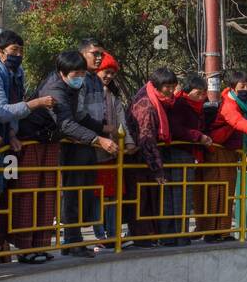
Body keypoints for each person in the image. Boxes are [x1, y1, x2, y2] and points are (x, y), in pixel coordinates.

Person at [0, 30, 57, 263]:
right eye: (13, 50)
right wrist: (35, 104)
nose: (18, 55)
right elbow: (3, 110)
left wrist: (13, 134)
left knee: (4, 192)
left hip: (4, 144)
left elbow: (10, 113)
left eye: (20, 50)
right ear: (0, 52)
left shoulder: (17, 73)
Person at [20, 49, 118, 258]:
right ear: (62, 73)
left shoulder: (73, 86)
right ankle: (29, 249)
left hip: (49, 142)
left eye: (83, 74)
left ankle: (54, 244)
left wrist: (101, 128)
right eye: (76, 75)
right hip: (32, 143)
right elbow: (66, 124)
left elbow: (77, 117)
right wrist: (97, 139)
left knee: (52, 197)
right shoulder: (55, 89)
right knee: (32, 197)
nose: (80, 79)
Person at [201, 70, 247, 241]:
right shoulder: (229, 104)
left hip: (231, 153)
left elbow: (243, 124)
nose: (246, 89)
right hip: (217, 152)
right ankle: (211, 232)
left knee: (228, 193)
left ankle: (223, 232)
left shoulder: (246, 104)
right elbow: (237, 122)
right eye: (242, 86)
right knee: (216, 192)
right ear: (233, 88)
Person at [76, 42, 128, 246]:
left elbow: (121, 120)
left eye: (112, 74)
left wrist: (127, 141)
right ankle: (99, 234)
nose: (108, 76)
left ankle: (113, 233)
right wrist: (101, 133)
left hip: (111, 151)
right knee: (97, 195)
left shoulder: (112, 96)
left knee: (113, 195)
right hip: (94, 148)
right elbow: (82, 116)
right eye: (105, 72)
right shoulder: (85, 85)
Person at [126, 67, 179, 245]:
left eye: (173, 86)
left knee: (150, 199)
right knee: (142, 199)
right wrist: (158, 170)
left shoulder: (154, 98)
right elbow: (146, 139)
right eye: (167, 87)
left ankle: (149, 236)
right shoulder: (147, 106)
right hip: (139, 161)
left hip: (145, 159)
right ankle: (142, 238)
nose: (171, 91)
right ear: (157, 86)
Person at [164, 73, 212, 246]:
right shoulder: (181, 104)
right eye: (198, 92)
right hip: (179, 152)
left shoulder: (195, 106)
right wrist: (198, 136)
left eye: (203, 93)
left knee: (182, 194)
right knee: (179, 194)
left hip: (188, 152)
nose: (202, 96)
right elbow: (176, 128)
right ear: (187, 91)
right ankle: (178, 234)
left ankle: (177, 234)